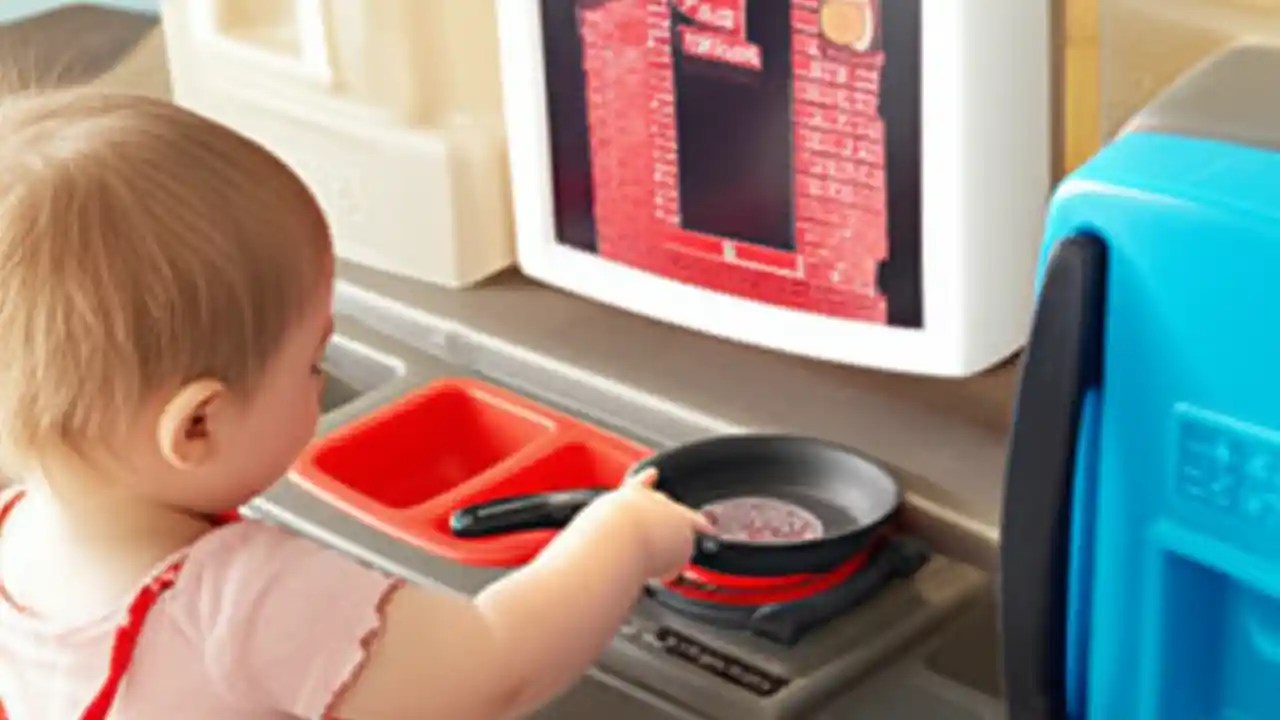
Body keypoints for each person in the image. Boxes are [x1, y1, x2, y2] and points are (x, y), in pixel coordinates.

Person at [0, 88, 709, 719]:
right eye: (314, 361)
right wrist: (623, 539)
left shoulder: (17, 532)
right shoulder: (246, 600)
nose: (321, 377)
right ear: (197, 426)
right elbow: (495, 668)